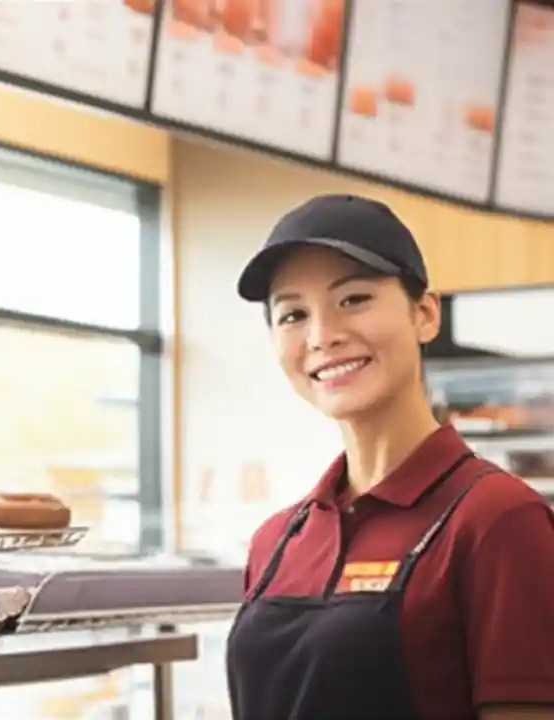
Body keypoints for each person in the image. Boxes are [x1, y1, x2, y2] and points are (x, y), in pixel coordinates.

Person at [225, 194, 554, 720]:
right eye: (292, 314)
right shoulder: (277, 540)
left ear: (424, 315)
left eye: (353, 299)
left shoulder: (497, 519)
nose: (322, 335)